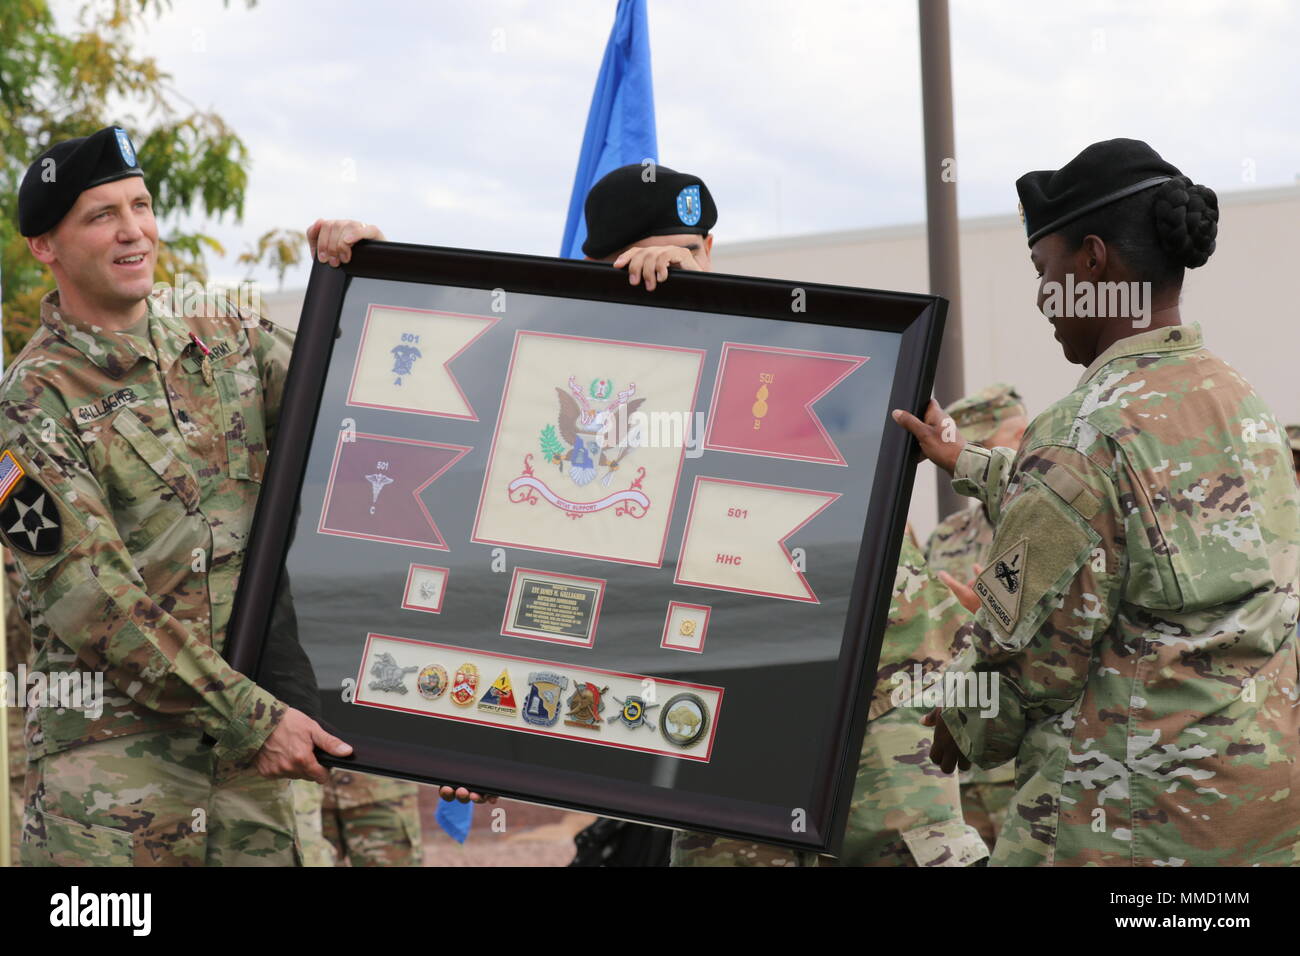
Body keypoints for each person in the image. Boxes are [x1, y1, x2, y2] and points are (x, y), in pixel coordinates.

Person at [5, 126, 474, 866]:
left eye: (142, 205)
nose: (134, 232)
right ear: (45, 246)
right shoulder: (30, 405)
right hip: (118, 804)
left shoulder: (228, 337)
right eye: (101, 216)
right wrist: (253, 719)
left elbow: (370, 416)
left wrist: (369, 276)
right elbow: (90, 600)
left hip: (258, 791)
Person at [894, 138, 1300, 866]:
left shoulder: (1081, 433)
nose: (1041, 296)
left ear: (1091, 261)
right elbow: (1147, 511)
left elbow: (1025, 666)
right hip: (1258, 822)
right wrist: (970, 462)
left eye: (1041, 269)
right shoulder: (1243, 404)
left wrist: (959, 715)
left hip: (1131, 828)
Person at [581, 164, 987, 867]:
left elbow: (922, 423)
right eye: (645, 268)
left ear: (710, 250)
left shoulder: (805, 345)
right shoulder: (599, 384)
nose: (670, 276)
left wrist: (710, 312)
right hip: (720, 719)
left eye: (688, 257)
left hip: (877, 700)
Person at [923, 384, 1027, 846]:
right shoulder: (947, 536)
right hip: (959, 757)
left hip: (1021, 756)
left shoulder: (1043, 524)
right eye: (1005, 443)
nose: (1019, 451)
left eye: (1023, 437)